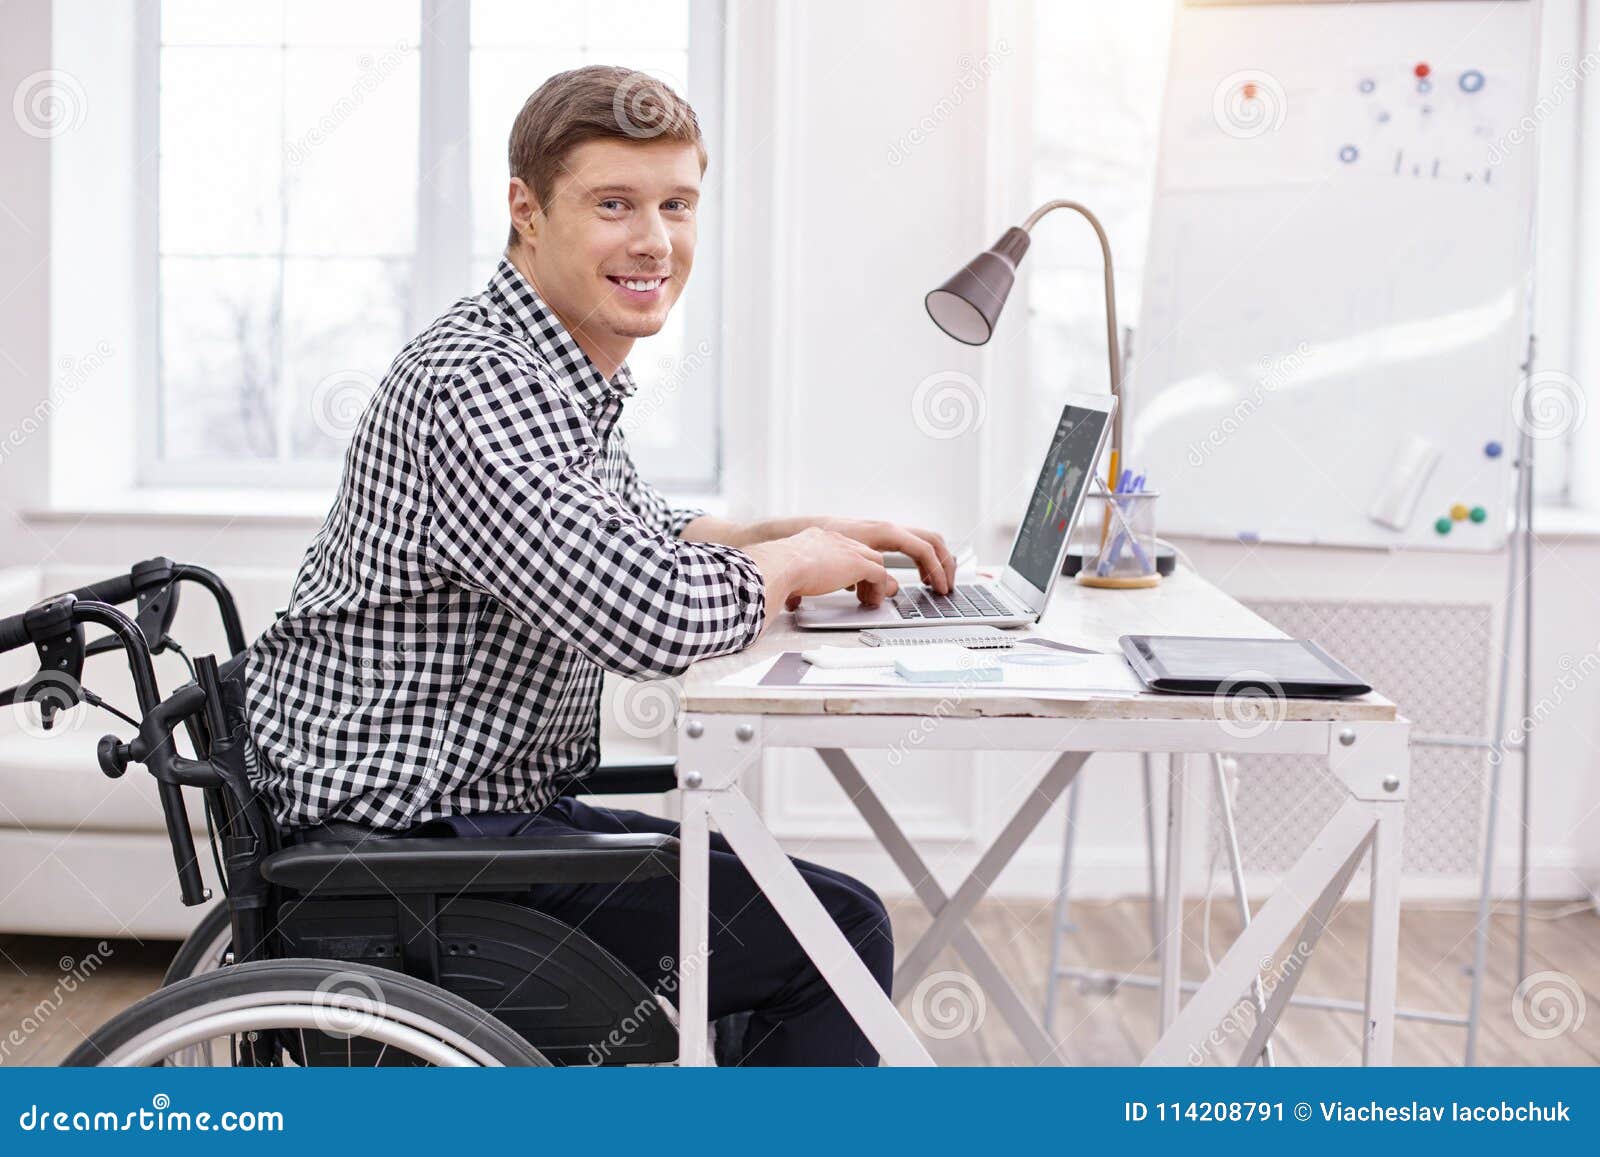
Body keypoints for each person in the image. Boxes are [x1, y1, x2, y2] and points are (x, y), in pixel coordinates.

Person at [244, 65, 958, 1066]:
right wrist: (793, 560)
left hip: (474, 821)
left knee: (814, 909)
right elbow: (649, 618)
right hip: (412, 856)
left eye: (676, 204)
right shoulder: (478, 380)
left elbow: (624, 535)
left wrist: (796, 534)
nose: (655, 240)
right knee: (833, 932)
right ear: (525, 211)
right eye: (614, 204)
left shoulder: (547, 368)